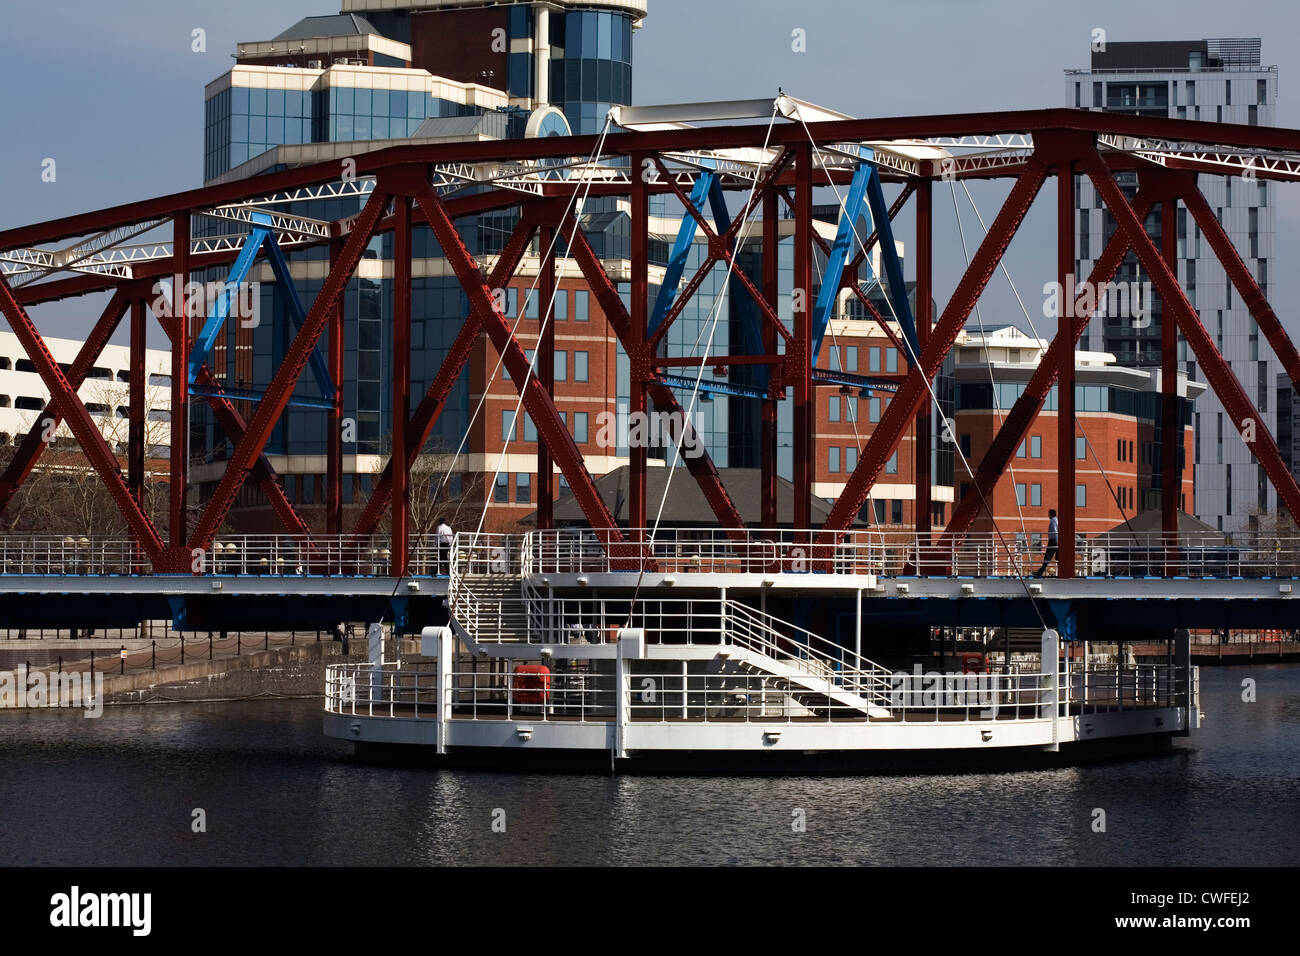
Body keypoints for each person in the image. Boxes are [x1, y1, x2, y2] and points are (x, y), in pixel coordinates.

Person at [1034, 509, 1059, 578]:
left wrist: (1057, 542)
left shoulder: (1053, 520)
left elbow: (1055, 531)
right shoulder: (1055, 520)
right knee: (1057, 557)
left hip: (1054, 541)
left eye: (1049, 514)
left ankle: (1040, 573)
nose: (1048, 515)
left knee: (1047, 557)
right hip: (1055, 541)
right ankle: (1040, 572)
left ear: (1051, 514)